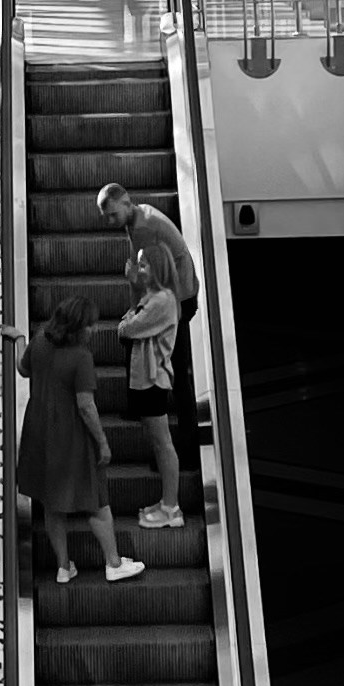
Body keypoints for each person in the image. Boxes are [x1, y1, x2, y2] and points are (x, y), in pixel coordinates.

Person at [15, 291, 143, 585]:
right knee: (97, 502)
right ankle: (113, 563)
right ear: (76, 326)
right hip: (71, 436)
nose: (93, 330)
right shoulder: (80, 357)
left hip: (38, 432)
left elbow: (23, 369)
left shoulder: (40, 341)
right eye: (89, 325)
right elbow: (85, 406)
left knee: (51, 503)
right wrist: (102, 442)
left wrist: (20, 340)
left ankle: (63, 567)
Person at [98, 180, 199, 480]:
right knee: (136, 341)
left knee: (178, 374)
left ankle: (188, 451)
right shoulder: (139, 215)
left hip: (176, 301)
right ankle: (137, 403)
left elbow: (146, 278)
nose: (110, 222)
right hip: (174, 295)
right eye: (106, 217)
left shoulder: (144, 228)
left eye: (113, 214)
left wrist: (137, 312)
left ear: (126, 203)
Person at [118, 244, 186, 529]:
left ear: (158, 268)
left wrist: (129, 317)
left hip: (153, 380)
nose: (139, 269)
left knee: (163, 442)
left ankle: (171, 508)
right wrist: (134, 290)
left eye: (144, 265)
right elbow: (130, 321)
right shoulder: (153, 296)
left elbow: (127, 328)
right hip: (145, 378)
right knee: (158, 443)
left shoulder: (162, 300)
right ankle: (167, 502)